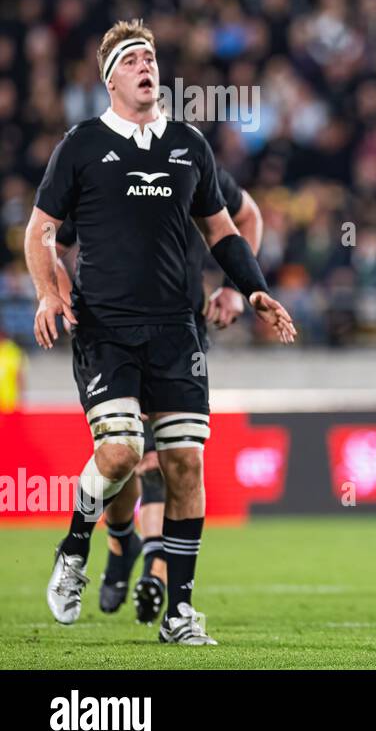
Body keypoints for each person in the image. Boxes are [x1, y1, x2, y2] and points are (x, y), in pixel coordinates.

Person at [26, 19, 296, 644]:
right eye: (132, 60)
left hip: (179, 329)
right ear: (110, 78)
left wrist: (251, 286)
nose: (146, 66)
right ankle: (73, 548)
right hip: (106, 327)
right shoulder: (81, 146)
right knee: (120, 453)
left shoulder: (189, 145)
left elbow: (224, 230)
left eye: (150, 56)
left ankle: (179, 613)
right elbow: (40, 232)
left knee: (183, 465)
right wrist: (48, 289)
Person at [54, 163, 262, 622]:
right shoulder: (95, 160)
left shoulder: (191, 158)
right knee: (126, 456)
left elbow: (246, 218)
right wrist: (61, 292)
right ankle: (120, 544)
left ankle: (158, 576)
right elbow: (52, 239)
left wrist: (234, 289)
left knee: (166, 462)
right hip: (113, 333)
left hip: (180, 330)